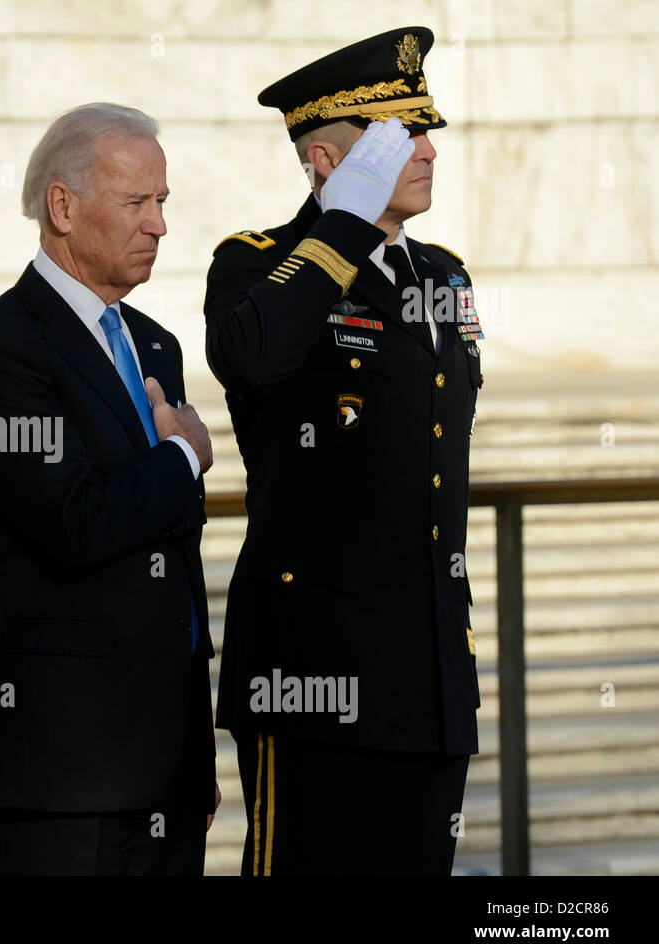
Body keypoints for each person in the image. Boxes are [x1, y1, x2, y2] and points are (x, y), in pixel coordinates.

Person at [205, 27, 484, 875]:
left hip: (429, 668)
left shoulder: (445, 274)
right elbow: (250, 356)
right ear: (328, 159)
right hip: (316, 672)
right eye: (399, 139)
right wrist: (345, 228)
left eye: (426, 131)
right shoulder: (258, 266)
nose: (428, 151)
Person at [0, 103, 220, 875]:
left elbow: (172, 556)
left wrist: (192, 751)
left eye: (163, 202)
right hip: (63, 777)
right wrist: (180, 456)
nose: (159, 225)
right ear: (62, 207)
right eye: (137, 203)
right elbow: (74, 524)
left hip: (165, 766)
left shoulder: (154, 342)